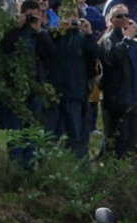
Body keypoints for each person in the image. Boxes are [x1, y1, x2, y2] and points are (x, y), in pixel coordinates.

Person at [0, 0, 55, 168]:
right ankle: (15, 168)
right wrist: (18, 27)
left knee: (32, 131)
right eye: (29, 15)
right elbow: (4, 48)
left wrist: (38, 30)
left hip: (35, 86)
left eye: (35, 15)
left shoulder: (41, 35)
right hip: (15, 88)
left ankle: (30, 167)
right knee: (15, 130)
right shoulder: (14, 32)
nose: (31, 19)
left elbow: (50, 54)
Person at [47, 9, 99, 160]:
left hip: (77, 93)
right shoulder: (54, 36)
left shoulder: (83, 38)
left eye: (73, 16)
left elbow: (95, 58)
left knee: (77, 135)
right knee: (54, 135)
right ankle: (54, 164)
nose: (70, 19)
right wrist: (58, 31)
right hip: (56, 94)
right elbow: (45, 50)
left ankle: (79, 165)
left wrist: (89, 34)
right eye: (66, 16)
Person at [99, 4, 137, 157]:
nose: (124, 19)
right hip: (118, 100)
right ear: (112, 20)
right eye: (120, 16)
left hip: (135, 98)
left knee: (134, 142)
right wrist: (126, 39)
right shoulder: (109, 39)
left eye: (127, 15)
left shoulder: (133, 40)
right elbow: (114, 59)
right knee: (119, 142)